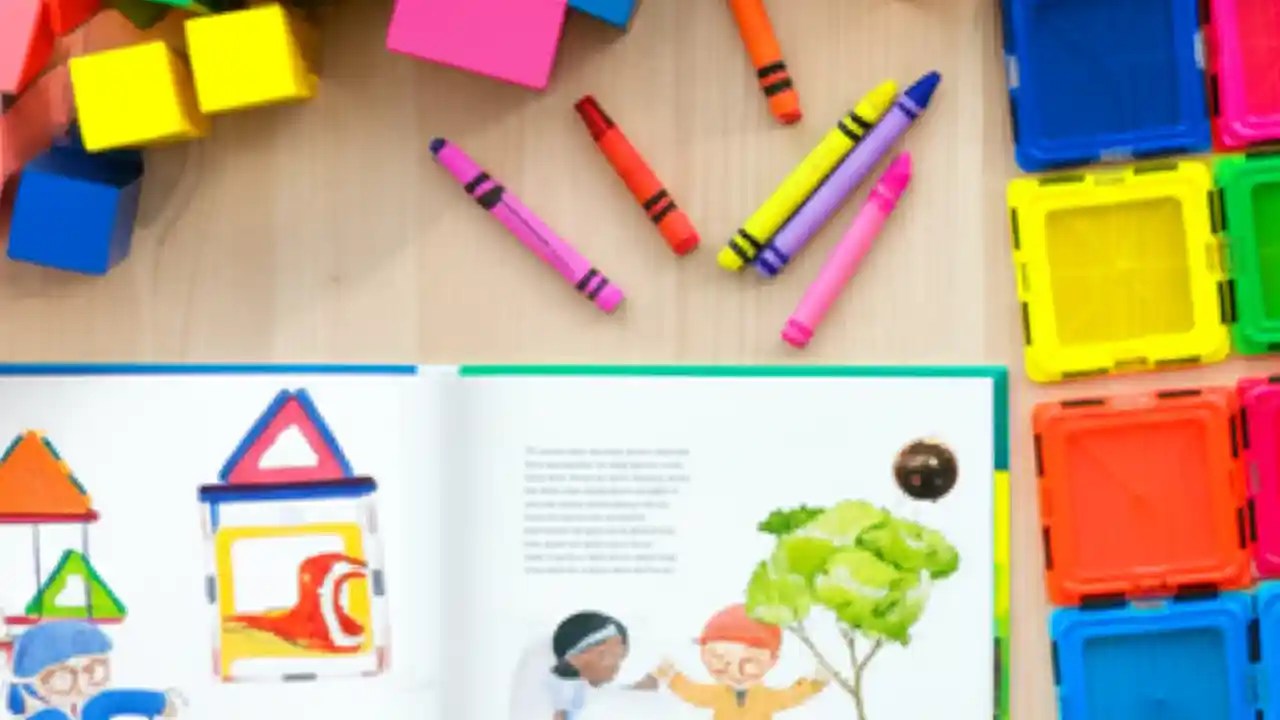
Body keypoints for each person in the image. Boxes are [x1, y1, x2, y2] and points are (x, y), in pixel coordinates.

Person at [654, 604, 828, 719]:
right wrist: (671, 677)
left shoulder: (765, 698)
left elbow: (791, 697)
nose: (737, 673)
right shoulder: (718, 694)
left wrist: (815, 684)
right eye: (722, 664)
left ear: (771, 660)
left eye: (749, 663)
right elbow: (693, 693)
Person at [5, 620, 184, 720]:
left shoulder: (94, 708)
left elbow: (112, 700)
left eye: (93, 673)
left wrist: (162, 702)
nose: (80, 685)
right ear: (32, 684)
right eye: (62, 678)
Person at [545, 611, 658, 720]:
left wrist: (638, 690)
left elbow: (602, 699)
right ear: (599, 653)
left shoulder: (571, 690)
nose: (616, 672)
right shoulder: (563, 698)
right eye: (617, 660)